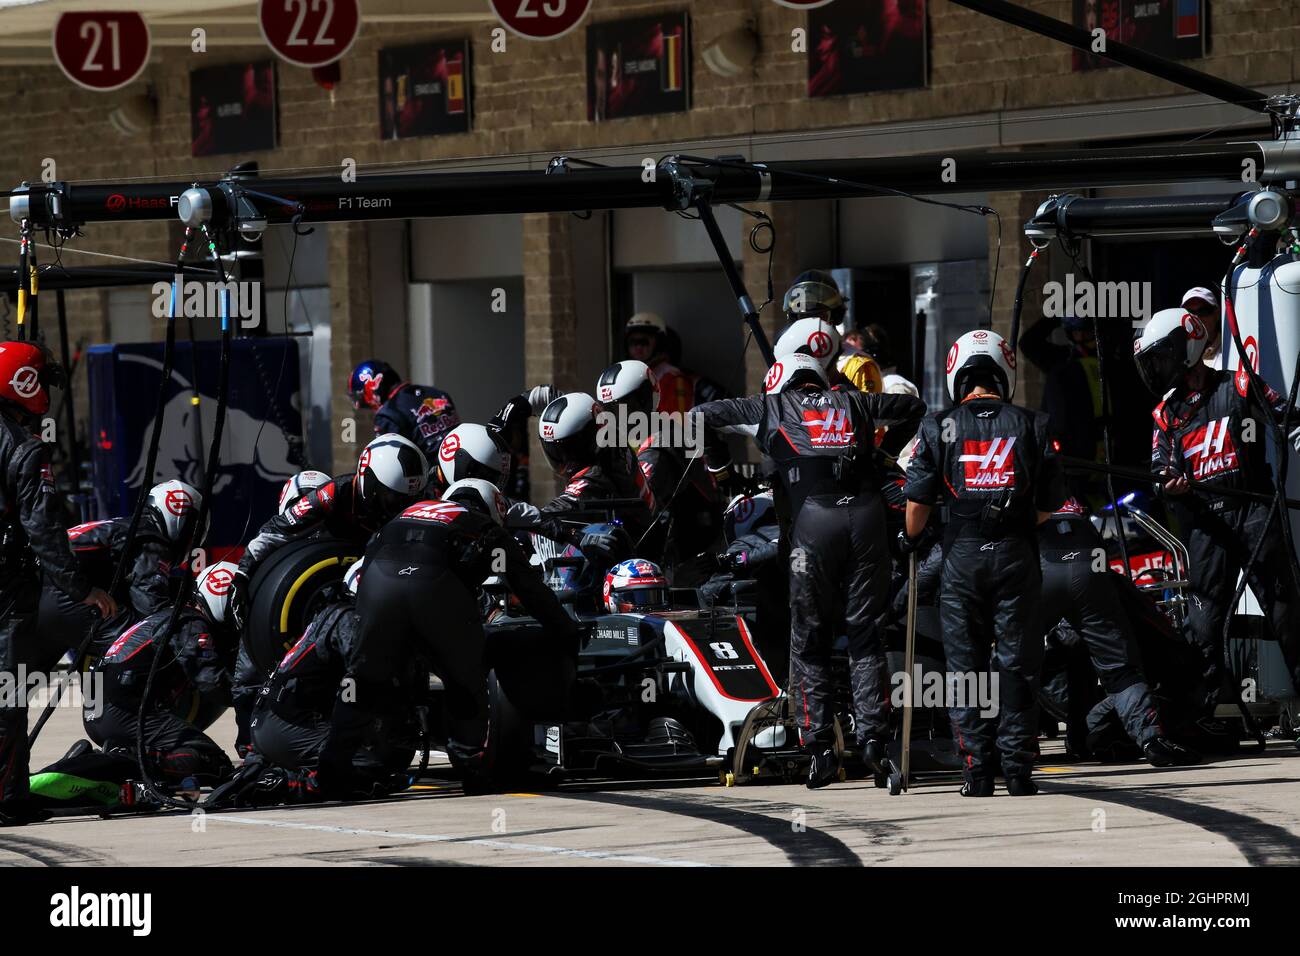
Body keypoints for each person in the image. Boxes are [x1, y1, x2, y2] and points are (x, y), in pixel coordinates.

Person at [690, 352, 927, 788]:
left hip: (813, 526)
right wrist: (881, 456)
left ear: (780, 385)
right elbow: (914, 409)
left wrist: (722, 469)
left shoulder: (772, 406)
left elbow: (700, 415)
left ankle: (819, 747)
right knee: (866, 633)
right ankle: (875, 742)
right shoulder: (854, 401)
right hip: (867, 519)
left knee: (810, 635)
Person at [316, 478, 581, 795]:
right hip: (433, 586)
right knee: (466, 677)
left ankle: (332, 769)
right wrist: (568, 635)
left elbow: (371, 562)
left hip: (378, 584)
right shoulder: (486, 527)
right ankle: (472, 768)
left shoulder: (410, 511)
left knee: (362, 680)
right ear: (493, 508)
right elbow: (532, 592)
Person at [903, 329, 1066, 797]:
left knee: (965, 669)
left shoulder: (937, 425)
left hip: (961, 559)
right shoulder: (1034, 423)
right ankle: (1017, 771)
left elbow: (916, 506)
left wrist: (909, 539)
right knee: (1018, 664)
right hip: (1016, 555)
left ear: (958, 375)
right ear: (1003, 373)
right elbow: (1049, 504)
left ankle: (976, 772)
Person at [1136, 307, 1300, 709]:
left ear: (1186, 348)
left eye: (1160, 357)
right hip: (1206, 522)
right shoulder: (1165, 415)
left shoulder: (1239, 385)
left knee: (1286, 612)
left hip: (1255, 510)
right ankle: (1214, 712)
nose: (1155, 369)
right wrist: (1171, 488)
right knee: (1203, 623)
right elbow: (1160, 473)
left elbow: (1290, 421)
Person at [0, 341, 115, 826]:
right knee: (7, 692)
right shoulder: (25, 451)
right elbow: (44, 530)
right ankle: (7, 797)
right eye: (42, 380)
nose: (46, 389)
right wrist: (82, 590)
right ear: (23, 383)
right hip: (6, 593)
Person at [1037, 496, 1198, 766]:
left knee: (1012, 660)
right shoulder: (1071, 503)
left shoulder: (1009, 487)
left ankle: (1003, 750)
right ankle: (1151, 740)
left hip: (1042, 565)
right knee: (1119, 669)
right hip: (1090, 570)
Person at [229, 434, 430, 629]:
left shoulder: (419, 498)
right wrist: (242, 575)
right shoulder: (333, 494)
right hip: (334, 588)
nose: (404, 508)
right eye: (394, 499)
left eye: (412, 500)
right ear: (369, 482)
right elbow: (277, 529)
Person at [83, 562, 240, 793]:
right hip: (119, 711)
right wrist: (256, 695)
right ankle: (116, 763)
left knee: (185, 749)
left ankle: (99, 761)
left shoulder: (170, 614)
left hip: (97, 709)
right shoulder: (192, 623)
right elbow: (211, 681)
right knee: (213, 762)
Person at [33, 478, 206, 671]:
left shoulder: (129, 526)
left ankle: (98, 690)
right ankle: (116, 697)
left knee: (17, 683)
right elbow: (150, 606)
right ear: (183, 520)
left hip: (38, 591)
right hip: (66, 596)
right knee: (151, 633)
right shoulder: (151, 538)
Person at [231, 469, 332, 759]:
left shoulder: (345, 537)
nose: (309, 517)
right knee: (250, 665)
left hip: (326, 629)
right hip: (279, 633)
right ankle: (251, 737)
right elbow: (247, 675)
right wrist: (241, 582)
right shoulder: (270, 540)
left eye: (314, 506)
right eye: (301, 505)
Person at [595, 360, 723, 582]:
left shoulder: (660, 444)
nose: (615, 418)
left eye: (623, 408)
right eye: (609, 410)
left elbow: (636, 504)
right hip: (671, 554)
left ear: (645, 400)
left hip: (687, 565)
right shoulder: (644, 432)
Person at [534, 391, 651, 542]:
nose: (564, 460)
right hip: (640, 527)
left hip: (637, 544)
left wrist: (521, 517)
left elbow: (554, 511)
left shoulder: (596, 476)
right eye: (556, 452)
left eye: (572, 449)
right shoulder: (615, 443)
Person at [347, 359, 460, 466]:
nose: (358, 405)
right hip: (464, 461)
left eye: (361, 398)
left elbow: (390, 463)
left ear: (374, 385)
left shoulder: (388, 414)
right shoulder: (438, 393)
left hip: (436, 477)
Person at [1180, 287, 1222, 367]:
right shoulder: (1176, 353)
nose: (1196, 318)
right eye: (1190, 313)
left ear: (1217, 314)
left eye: (1203, 311)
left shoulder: (1231, 352)